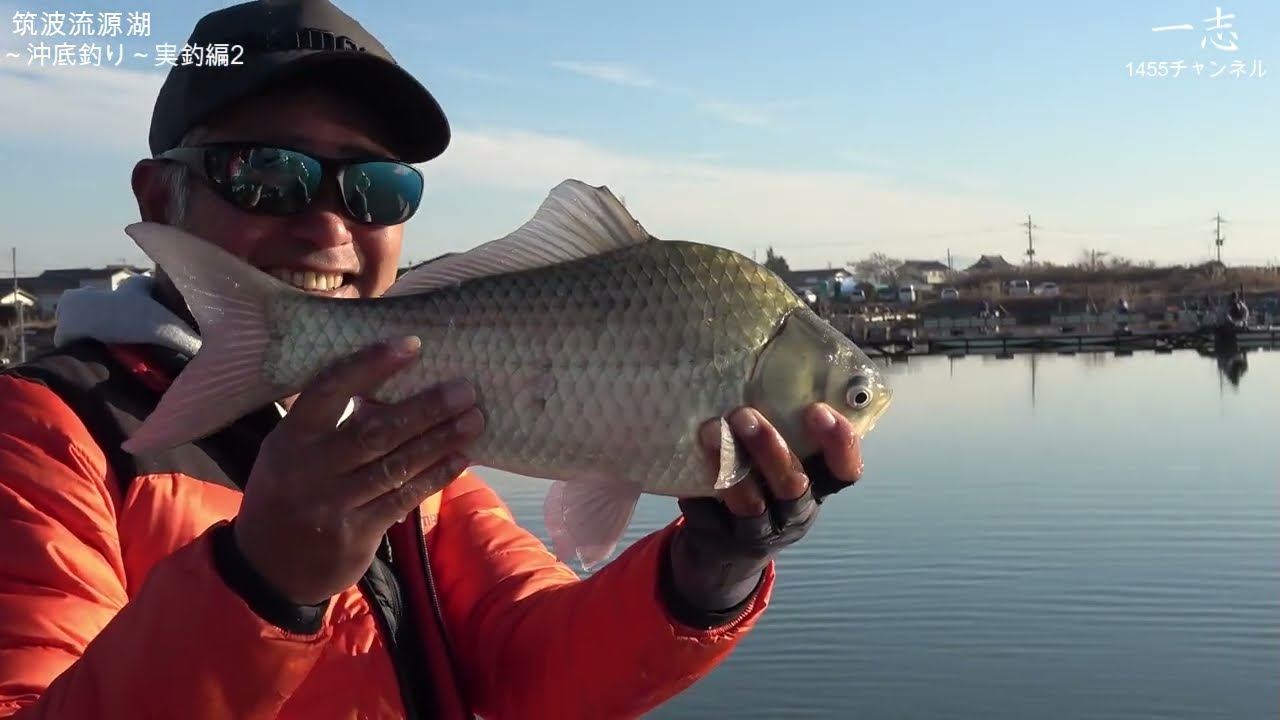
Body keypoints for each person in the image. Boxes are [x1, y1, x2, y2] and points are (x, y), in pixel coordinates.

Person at [0, 2, 867, 718]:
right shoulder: (46, 438)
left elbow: (536, 666)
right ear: (161, 197)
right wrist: (261, 583)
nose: (332, 227)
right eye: (266, 174)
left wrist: (707, 573)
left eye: (378, 188)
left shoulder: (409, 437)